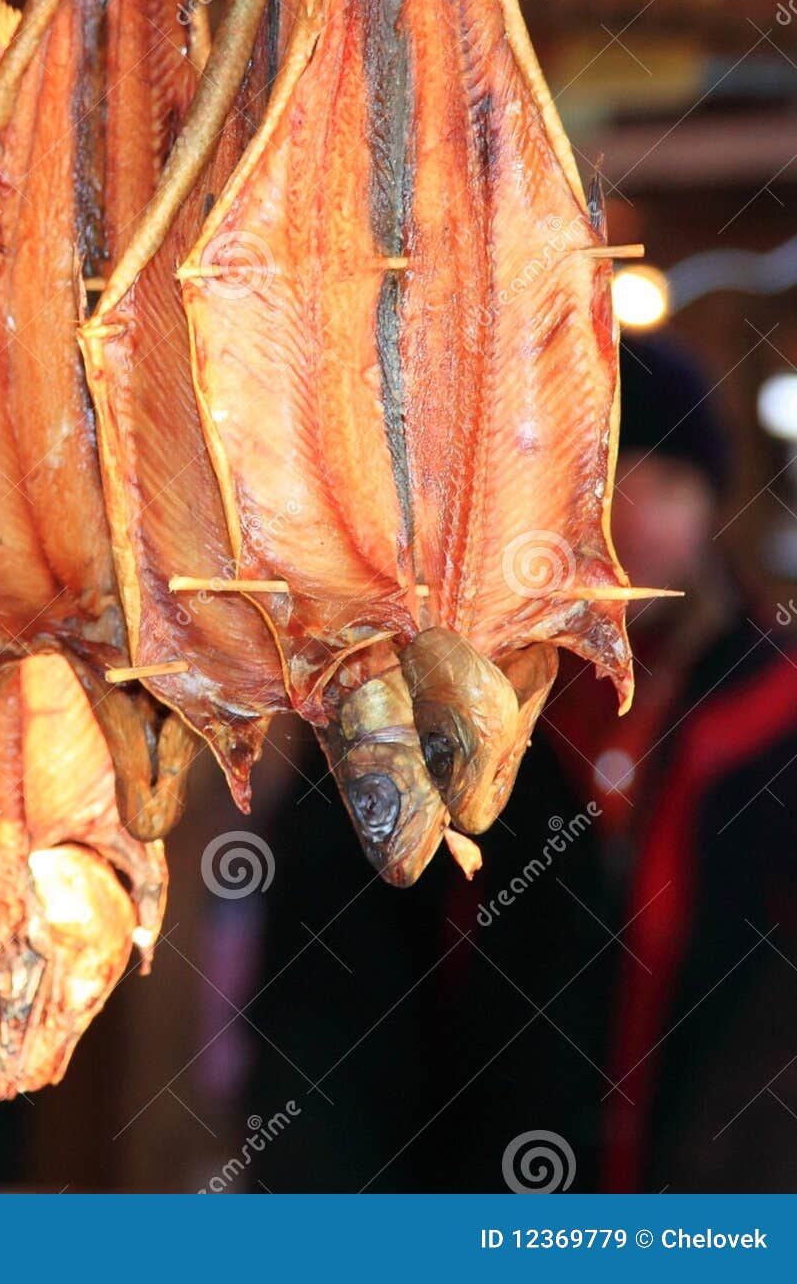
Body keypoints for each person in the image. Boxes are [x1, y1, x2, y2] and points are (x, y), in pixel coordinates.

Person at [238, 332, 797, 1192]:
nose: (631, 519)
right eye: (601, 484)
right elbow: (322, 1004)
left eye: (666, 483)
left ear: (712, 506)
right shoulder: (410, 702)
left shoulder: (777, 711)